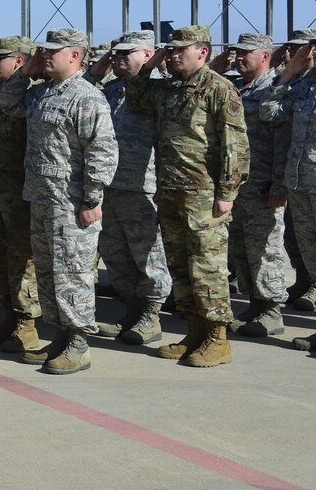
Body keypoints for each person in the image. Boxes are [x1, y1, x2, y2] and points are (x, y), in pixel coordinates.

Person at [126, 25, 249, 368]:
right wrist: (151, 64)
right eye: (171, 49)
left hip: (204, 194)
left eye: (181, 49)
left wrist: (227, 192)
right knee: (180, 265)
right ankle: (194, 331)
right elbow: (136, 97)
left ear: (202, 52)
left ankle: (218, 338)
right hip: (170, 191)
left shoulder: (218, 88)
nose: (174, 54)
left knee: (207, 267)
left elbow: (235, 144)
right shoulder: (168, 89)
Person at [0, 29, 118, 375]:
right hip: (41, 198)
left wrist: (92, 198)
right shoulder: (42, 93)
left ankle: (78, 344)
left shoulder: (87, 97)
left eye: (53, 51)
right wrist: (26, 70)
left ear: (75, 56)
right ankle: (61, 337)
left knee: (73, 272)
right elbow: (8, 102)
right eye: (43, 51)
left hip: (71, 202)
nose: (45, 55)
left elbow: (101, 150)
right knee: (49, 273)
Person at [86, 31, 172, 345]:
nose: (118, 58)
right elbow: (81, 95)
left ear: (148, 55)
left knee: (148, 253)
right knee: (115, 253)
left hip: (142, 185)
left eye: (126, 53)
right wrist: (95, 72)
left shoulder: (160, 90)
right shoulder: (110, 90)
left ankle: (151, 314)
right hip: (109, 185)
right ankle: (132, 309)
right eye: (116, 53)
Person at [219, 33, 289, 337]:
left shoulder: (274, 90)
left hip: (263, 185)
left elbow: (283, 142)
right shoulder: (238, 88)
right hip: (237, 185)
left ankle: (272, 311)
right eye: (237, 53)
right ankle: (255, 304)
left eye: (245, 53)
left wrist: (279, 185)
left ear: (264, 56)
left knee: (265, 248)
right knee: (241, 247)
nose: (239, 58)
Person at [0, 36, 42, 352]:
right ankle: (10, 315)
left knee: (22, 259)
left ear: (19, 61)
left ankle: (27, 324)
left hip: (21, 192)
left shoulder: (31, 95)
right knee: (1, 257)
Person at [259, 32, 316, 352]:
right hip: (300, 184)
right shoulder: (304, 85)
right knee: (312, 258)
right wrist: (290, 73)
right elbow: (269, 111)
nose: (307, 53)